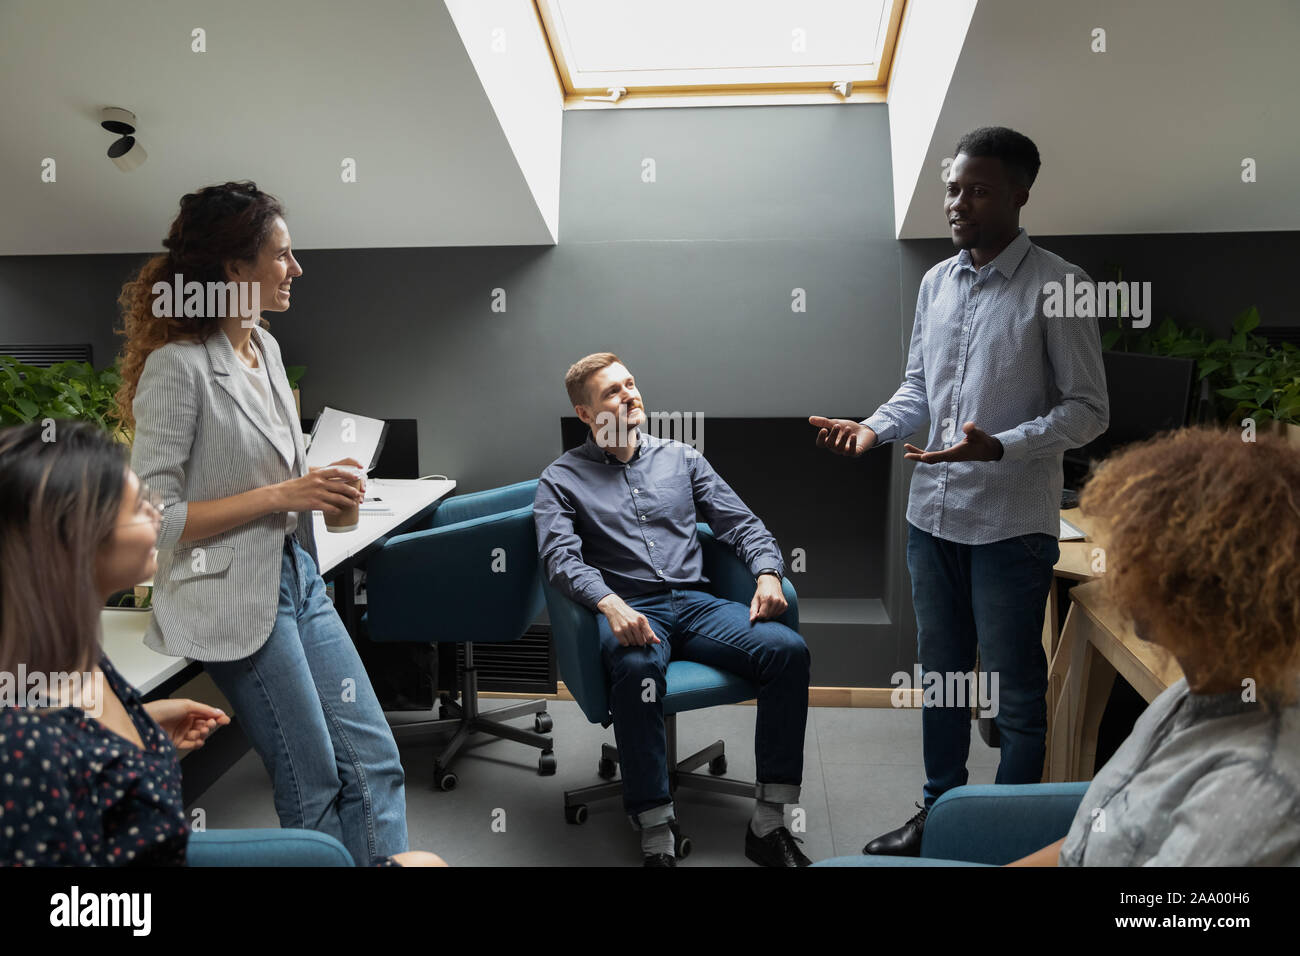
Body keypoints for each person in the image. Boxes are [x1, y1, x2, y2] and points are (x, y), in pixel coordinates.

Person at [810, 127, 1108, 856]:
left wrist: (1001, 444)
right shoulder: (937, 283)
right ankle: (939, 816)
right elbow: (918, 389)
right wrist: (872, 430)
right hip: (931, 518)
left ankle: (1008, 836)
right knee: (941, 678)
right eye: (952, 188)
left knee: (1015, 694)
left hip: (1010, 525)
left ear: (1019, 194)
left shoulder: (1058, 283)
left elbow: (1089, 409)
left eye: (977, 189)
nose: (957, 203)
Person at [115, 181, 407, 866]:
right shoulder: (177, 369)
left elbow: (281, 477)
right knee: (316, 784)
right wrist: (283, 494)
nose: (295, 269)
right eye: (282, 255)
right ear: (234, 269)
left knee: (375, 762)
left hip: (297, 578)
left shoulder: (266, 351)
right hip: (232, 597)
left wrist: (327, 490)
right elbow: (153, 520)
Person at [0, 421, 443, 865]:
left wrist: (139, 727)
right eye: (138, 508)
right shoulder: (28, 743)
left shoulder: (71, 659)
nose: (159, 515)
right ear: (74, 542)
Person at [535, 354, 811, 867]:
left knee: (787, 651)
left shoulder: (681, 458)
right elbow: (558, 559)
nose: (629, 395)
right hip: (631, 610)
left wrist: (769, 571)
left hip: (696, 605)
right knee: (637, 666)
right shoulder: (560, 478)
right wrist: (608, 603)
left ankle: (769, 824)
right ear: (585, 413)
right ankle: (656, 831)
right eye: (612, 392)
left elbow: (742, 525)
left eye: (631, 384)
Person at [1008, 427, 1300, 865]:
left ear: (1203, 589)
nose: (1119, 568)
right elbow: (1084, 846)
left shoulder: (1253, 787)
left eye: (1138, 552)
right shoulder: (1198, 690)